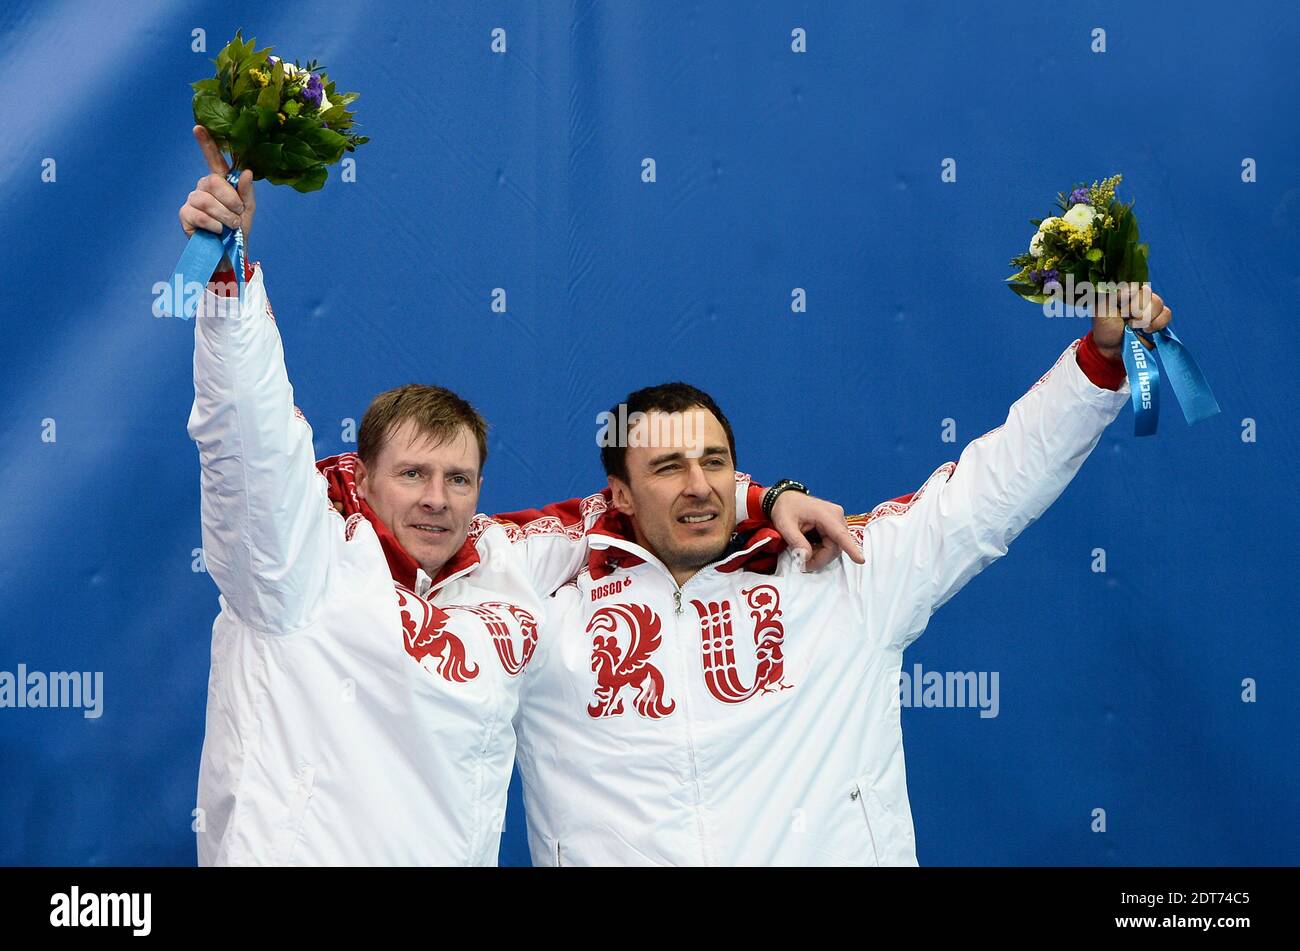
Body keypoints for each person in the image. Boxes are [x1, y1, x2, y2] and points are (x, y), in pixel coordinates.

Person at [178, 126, 855, 865]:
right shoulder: (294, 566)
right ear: (364, 482)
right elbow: (247, 434)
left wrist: (762, 498)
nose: (437, 499)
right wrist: (229, 276)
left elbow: (635, 502)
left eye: (459, 479)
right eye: (412, 475)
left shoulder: (509, 562)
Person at [513, 290, 1174, 865]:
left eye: (715, 463)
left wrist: (1100, 363)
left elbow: (985, 495)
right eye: (666, 468)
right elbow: (446, 537)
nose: (699, 487)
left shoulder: (837, 569)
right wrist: (759, 497)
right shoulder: (541, 612)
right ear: (619, 496)